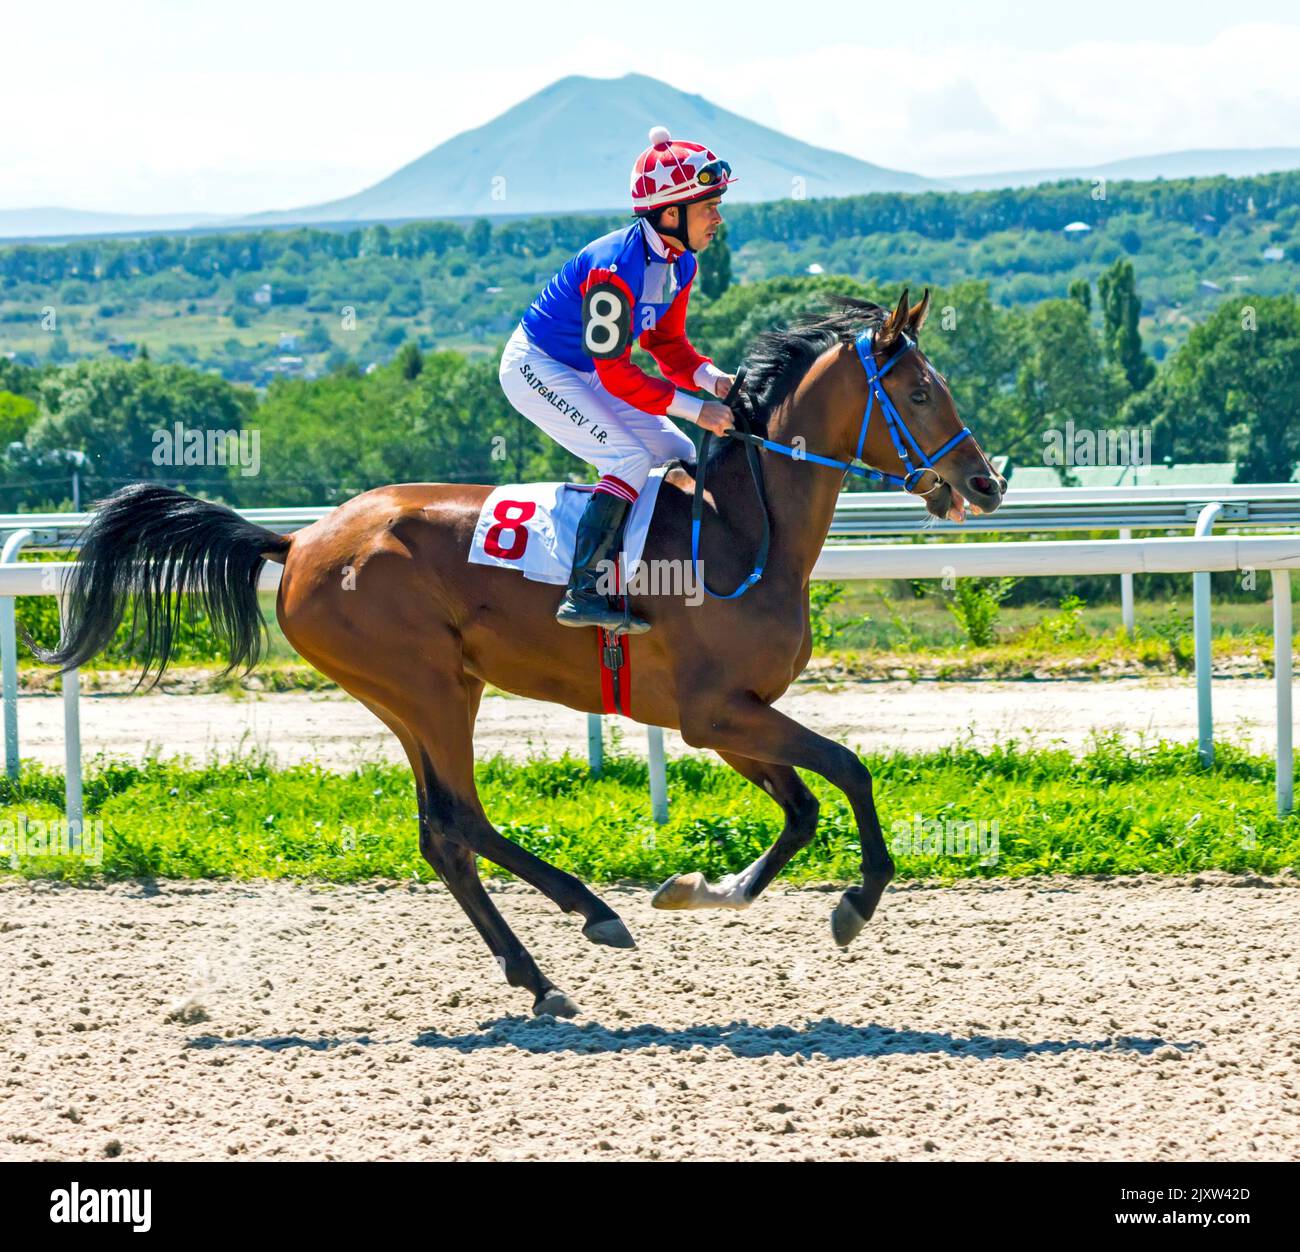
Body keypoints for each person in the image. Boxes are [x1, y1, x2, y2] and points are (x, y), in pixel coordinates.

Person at [499, 125, 737, 634]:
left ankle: (664, 571)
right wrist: (698, 410)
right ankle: (583, 592)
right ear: (670, 214)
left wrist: (715, 381)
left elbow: (665, 346)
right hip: (537, 367)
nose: (718, 217)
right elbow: (618, 373)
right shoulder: (613, 268)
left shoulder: (682, 262)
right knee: (628, 458)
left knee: (680, 454)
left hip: (586, 370)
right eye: (709, 206)